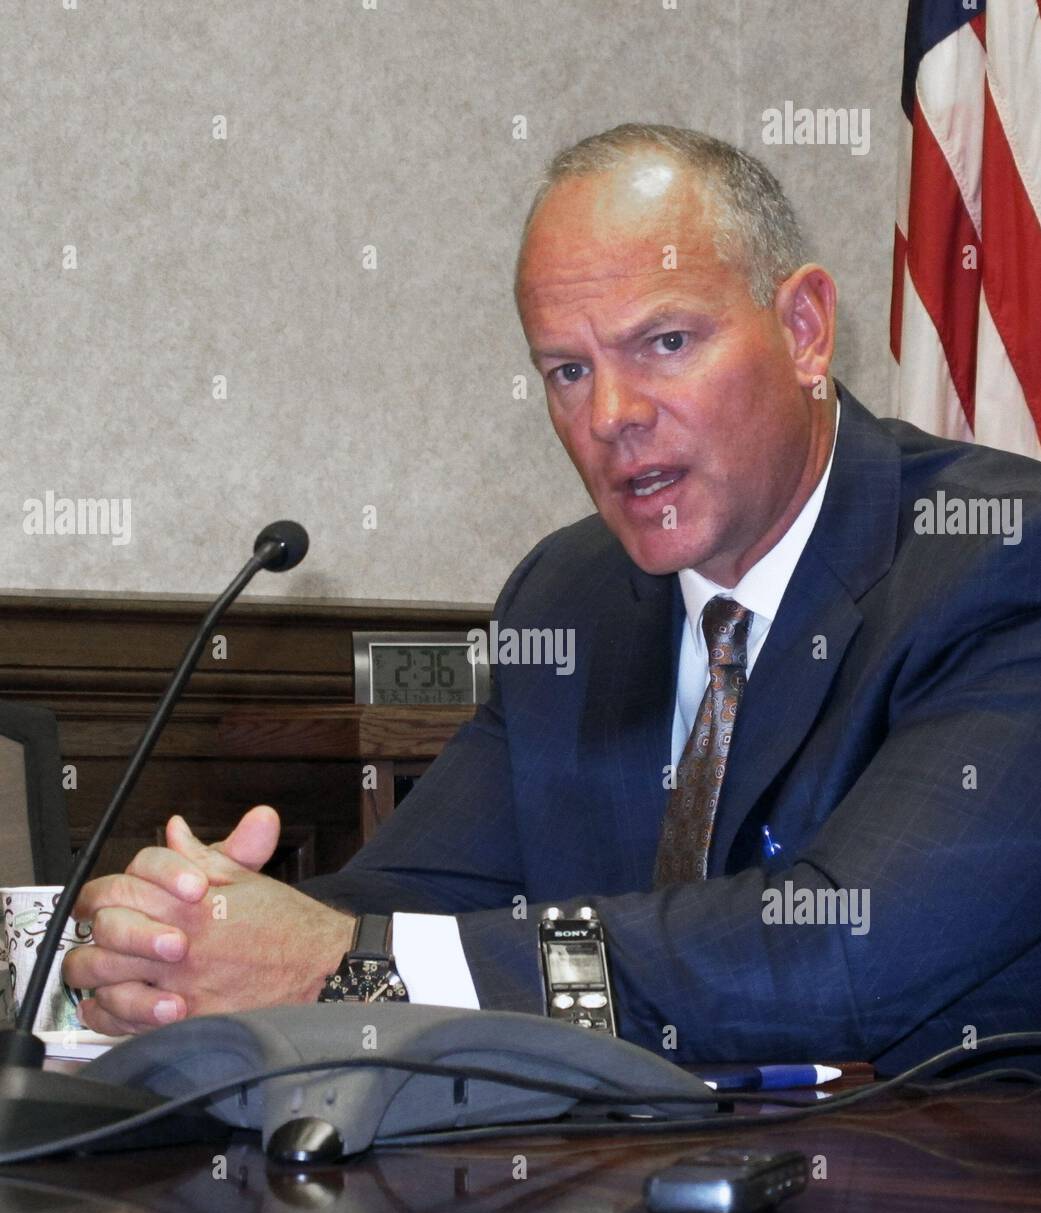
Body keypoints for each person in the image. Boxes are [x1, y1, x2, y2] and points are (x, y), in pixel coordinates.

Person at [65, 124, 1041, 1073]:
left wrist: (333, 964)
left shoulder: (998, 557)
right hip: (621, 1207)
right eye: (568, 370)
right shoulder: (570, 598)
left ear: (804, 330)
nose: (610, 414)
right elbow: (412, 903)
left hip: (947, 1205)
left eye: (664, 341)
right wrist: (194, 936)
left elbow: (838, 958)